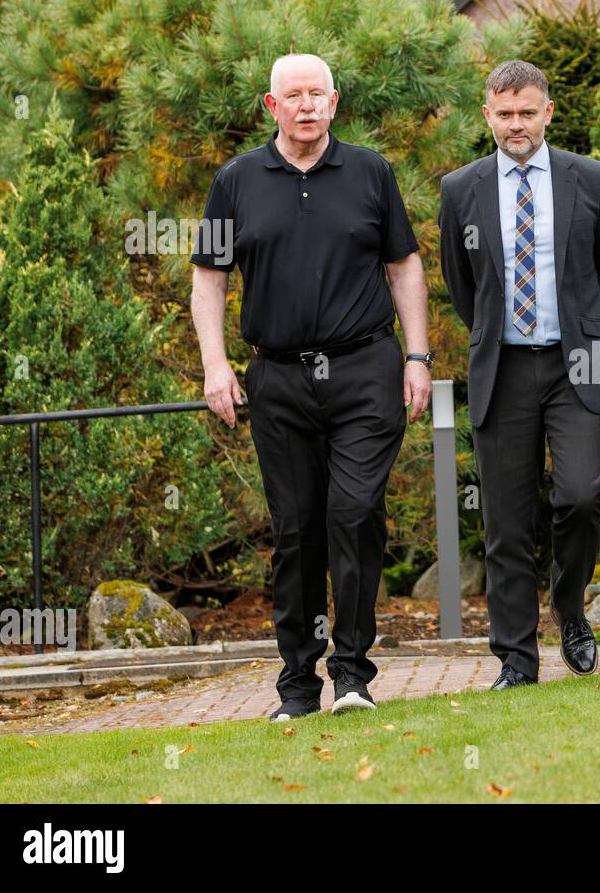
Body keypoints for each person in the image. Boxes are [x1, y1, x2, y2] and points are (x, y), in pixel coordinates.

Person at [190, 53, 433, 721]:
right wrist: (216, 364)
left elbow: (404, 267)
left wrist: (417, 356)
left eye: (316, 94)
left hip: (364, 371)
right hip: (278, 378)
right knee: (297, 531)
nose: (305, 106)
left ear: (334, 101)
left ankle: (352, 675)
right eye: (291, 96)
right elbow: (209, 279)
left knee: (352, 516)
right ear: (272, 107)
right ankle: (297, 687)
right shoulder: (236, 181)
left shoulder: (370, 172)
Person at [438, 60, 600, 689]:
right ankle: (516, 661)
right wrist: (503, 333)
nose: (515, 124)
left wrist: (586, 329)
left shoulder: (592, 179)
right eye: (504, 113)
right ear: (487, 114)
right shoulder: (460, 189)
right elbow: (464, 289)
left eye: (527, 112)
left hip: (583, 356)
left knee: (580, 494)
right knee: (506, 520)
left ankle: (570, 608)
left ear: (547, 112)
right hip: (505, 363)